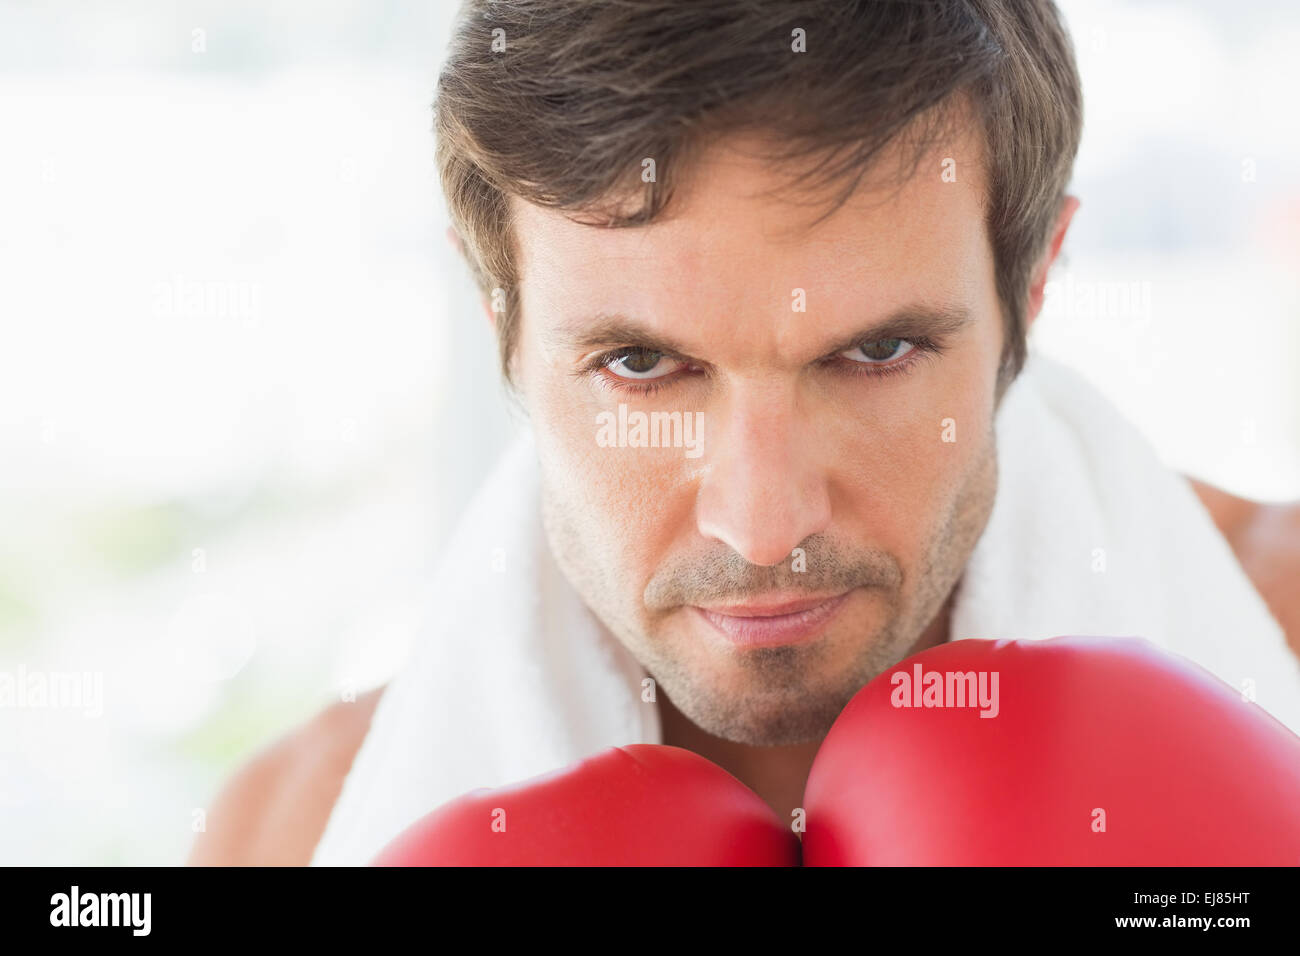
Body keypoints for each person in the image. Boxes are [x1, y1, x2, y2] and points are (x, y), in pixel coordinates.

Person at [188, 0, 1300, 865]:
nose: (763, 525)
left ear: (1035, 282)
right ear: (506, 330)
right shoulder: (292, 839)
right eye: (638, 364)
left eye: (874, 354)